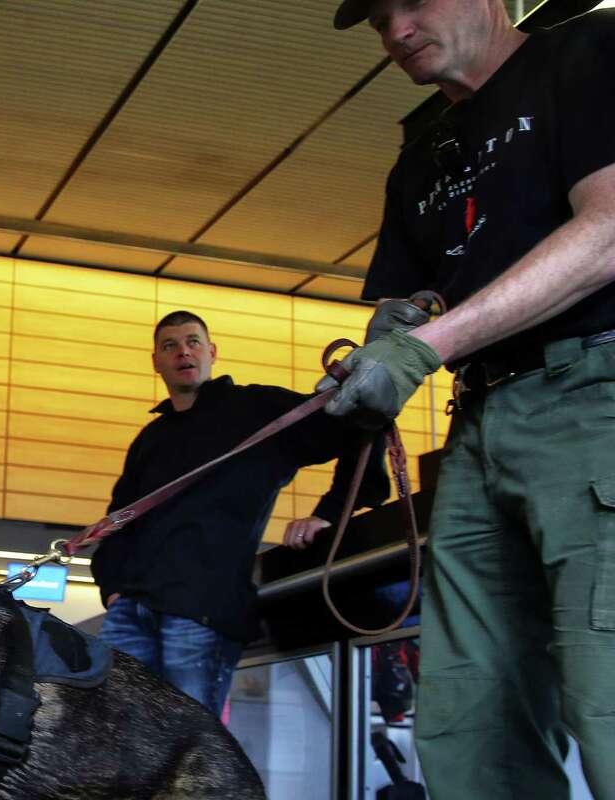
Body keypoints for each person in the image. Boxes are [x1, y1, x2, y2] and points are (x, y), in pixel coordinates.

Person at [327, 1, 615, 797]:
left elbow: (609, 232)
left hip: (598, 401)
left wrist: (425, 347)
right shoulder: (420, 155)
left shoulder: (590, 51)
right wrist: (395, 332)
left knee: (609, 692)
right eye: (380, 17)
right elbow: (423, 301)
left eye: (414, 1)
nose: (396, 31)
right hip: (480, 423)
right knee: (470, 716)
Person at [91, 310, 389, 713]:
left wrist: (331, 512)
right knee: (114, 738)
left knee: (190, 751)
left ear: (212, 352)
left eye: (193, 342)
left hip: (203, 612)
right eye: (170, 346)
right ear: (156, 362)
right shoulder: (152, 436)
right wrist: (112, 587)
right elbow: (117, 519)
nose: (183, 351)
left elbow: (360, 420)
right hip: (131, 612)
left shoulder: (255, 408)